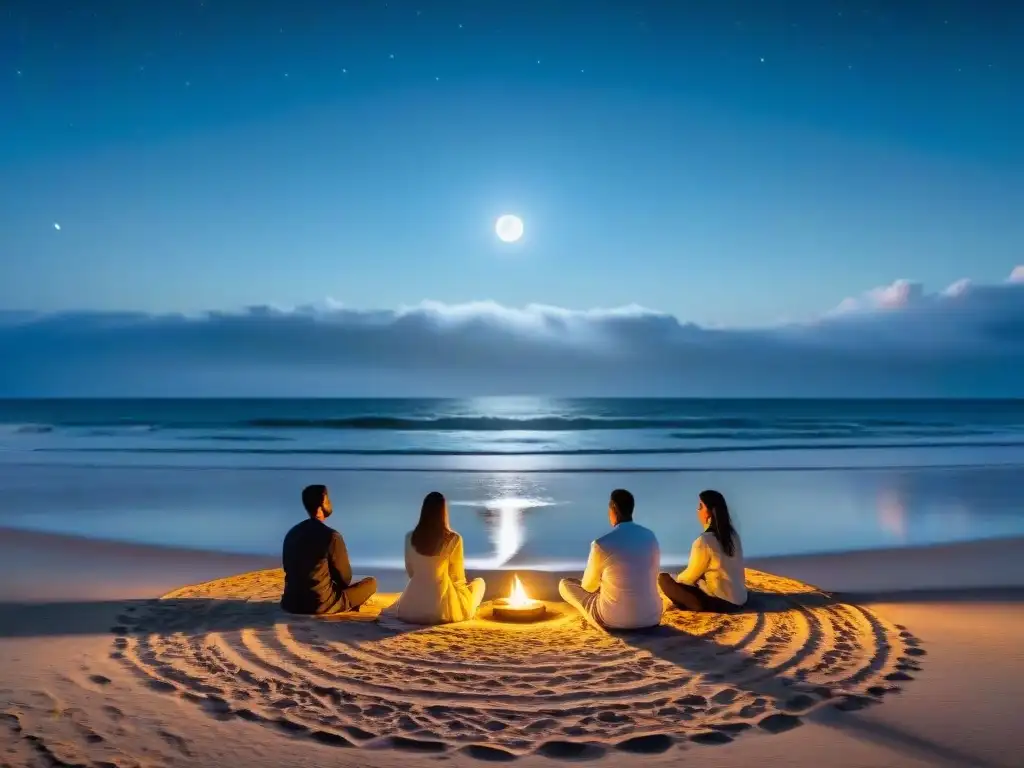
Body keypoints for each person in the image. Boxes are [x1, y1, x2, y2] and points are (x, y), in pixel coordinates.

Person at [558, 489, 663, 630]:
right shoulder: (650, 536)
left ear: (613, 508)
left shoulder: (601, 544)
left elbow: (588, 587)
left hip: (612, 620)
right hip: (652, 617)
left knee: (565, 585)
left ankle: (594, 618)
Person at [382, 491, 486, 625]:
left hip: (410, 609)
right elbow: (457, 578)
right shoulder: (453, 539)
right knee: (479, 583)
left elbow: (411, 572)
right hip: (440, 611)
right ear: (444, 512)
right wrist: (464, 593)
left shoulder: (410, 537)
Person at [280, 484, 377, 615]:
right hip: (320, 604)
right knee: (371, 583)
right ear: (322, 503)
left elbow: (288, 569)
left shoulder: (292, 533)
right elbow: (345, 579)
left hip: (290, 603)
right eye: (328, 499)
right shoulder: (331, 536)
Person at [658, 489, 748, 613]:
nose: (697, 511)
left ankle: (686, 604)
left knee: (663, 579)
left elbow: (688, 578)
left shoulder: (704, 541)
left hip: (722, 603)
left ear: (709, 513)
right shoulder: (733, 536)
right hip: (741, 599)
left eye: (700, 507)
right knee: (701, 577)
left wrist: (675, 578)